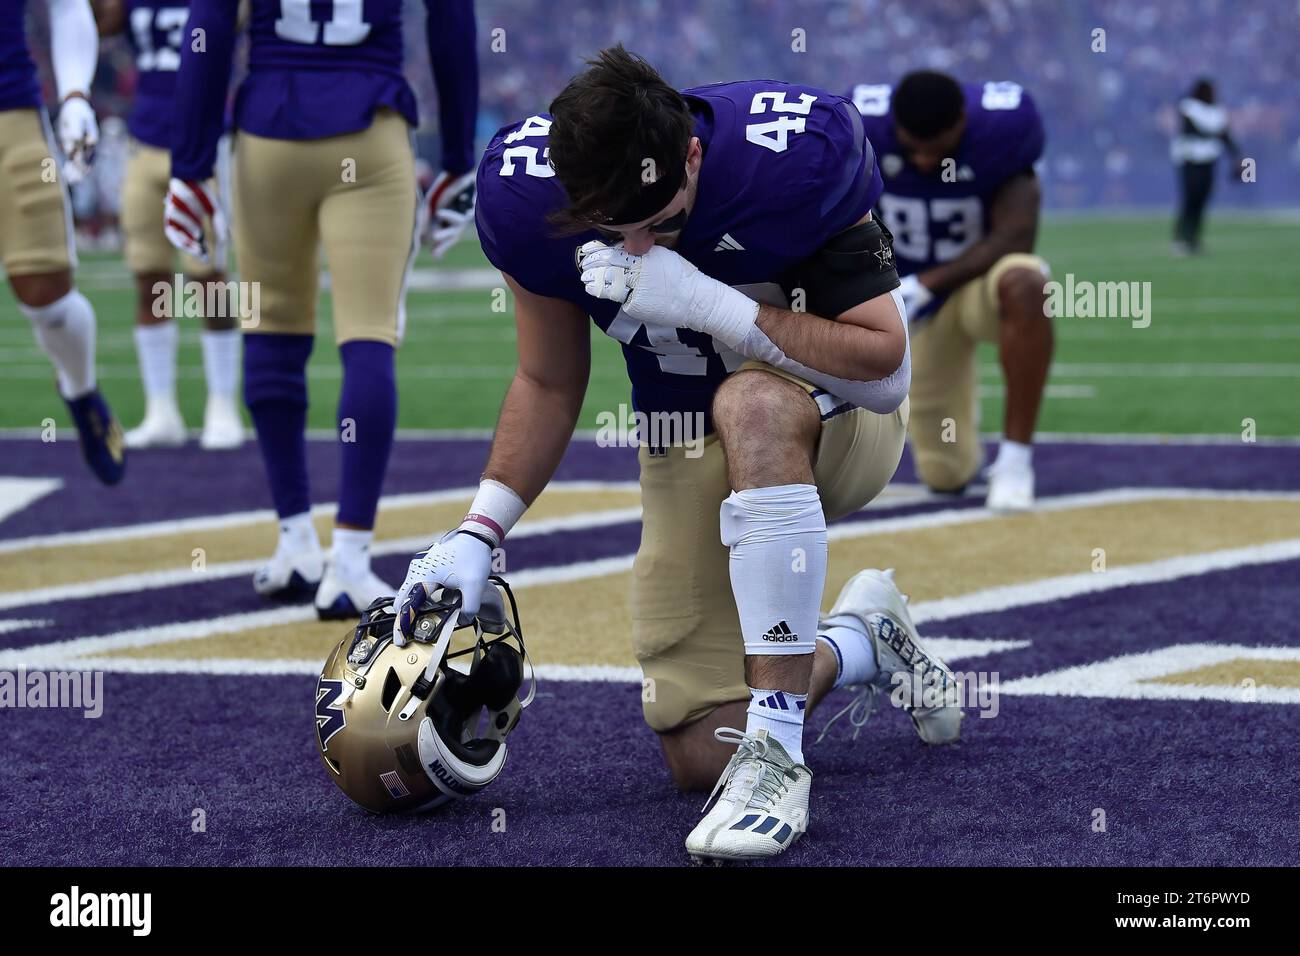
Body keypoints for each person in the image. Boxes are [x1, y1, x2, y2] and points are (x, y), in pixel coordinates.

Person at [393, 47, 962, 862]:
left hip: (832, 420)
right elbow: (547, 381)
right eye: (610, 230)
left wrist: (708, 304)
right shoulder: (527, 196)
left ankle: (778, 755)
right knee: (699, 752)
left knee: (751, 401)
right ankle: (861, 641)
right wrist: (480, 528)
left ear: (693, 156)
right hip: (682, 439)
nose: (636, 248)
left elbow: (884, 372)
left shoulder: (791, 157)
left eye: (659, 223)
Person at [166, 0, 480, 618]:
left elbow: (210, 25)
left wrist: (190, 164)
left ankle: (295, 540)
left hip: (268, 135)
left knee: (270, 329)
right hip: (370, 127)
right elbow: (452, 21)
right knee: (368, 336)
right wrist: (456, 157)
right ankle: (350, 561)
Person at [852, 71, 1052, 511]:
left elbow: (1017, 236)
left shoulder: (1004, 127)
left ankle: (1016, 462)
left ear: (962, 122)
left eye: (937, 148)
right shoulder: (861, 127)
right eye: (914, 148)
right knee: (946, 474)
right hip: (907, 298)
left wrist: (927, 284)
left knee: (1026, 282)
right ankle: (961, 435)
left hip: (975, 286)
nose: (925, 161)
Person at [94, 0, 243, 451]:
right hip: (144, 141)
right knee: (149, 277)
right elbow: (98, 23)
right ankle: (161, 409)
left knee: (209, 279)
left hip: (204, 144)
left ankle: (223, 403)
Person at [0, 0, 125, 485]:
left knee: (47, 294)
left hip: (10, 111)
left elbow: (68, 6)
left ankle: (80, 388)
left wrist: (75, 95)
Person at [1171, 77, 1240, 255]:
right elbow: (1192, 130)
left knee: (1202, 199)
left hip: (1208, 161)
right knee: (1190, 199)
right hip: (1190, 159)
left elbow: (1225, 136)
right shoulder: (1189, 107)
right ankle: (1181, 238)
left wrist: (1237, 155)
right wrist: (1214, 134)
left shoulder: (1217, 111)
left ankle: (1193, 238)